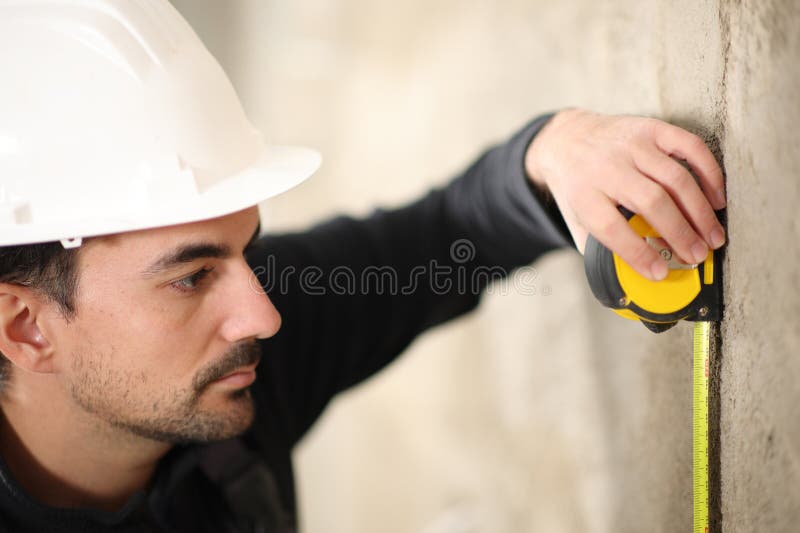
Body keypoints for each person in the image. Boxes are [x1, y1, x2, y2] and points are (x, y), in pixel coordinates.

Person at [0, 1, 726, 532]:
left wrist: (553, 156)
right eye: (191, 277)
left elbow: (447, 234)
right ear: (26, 326)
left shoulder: (226, 360)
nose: (265, 314)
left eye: (247, 250)